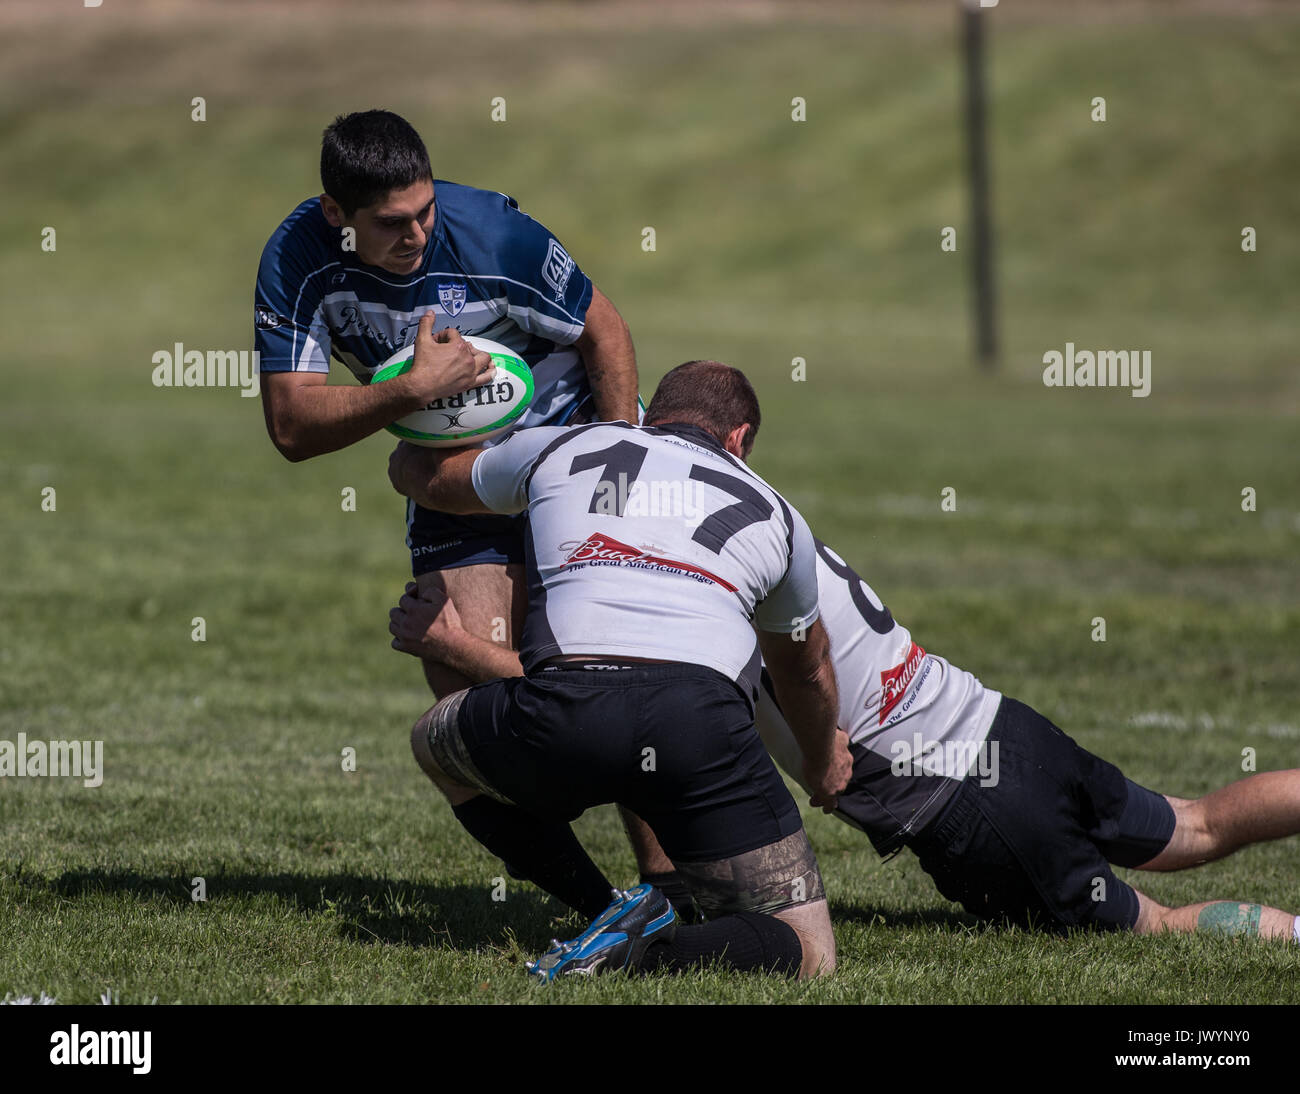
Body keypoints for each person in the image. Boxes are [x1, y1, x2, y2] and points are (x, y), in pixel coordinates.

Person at [394, 435, 1300, 946]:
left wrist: (465, 652)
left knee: (1162, 927)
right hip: (1001, 726)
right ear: (740, 445)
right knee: (1195, 824)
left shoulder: (709, 576)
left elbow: (621, 686)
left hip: (971, 807)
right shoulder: (770, 527)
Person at [388, 361, 853, 980]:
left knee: (432, 740)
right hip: (700, 729)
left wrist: (412, 426)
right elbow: (807, 670)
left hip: (562, 714)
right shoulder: (778, 512)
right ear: (739, 440)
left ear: (649, 413)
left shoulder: (563, 443)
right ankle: (638, 951)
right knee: (808, 954)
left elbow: (432, 482)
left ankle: (601, 909)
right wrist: (821, 762)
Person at [253, 108, 640, 711]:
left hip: (574, 449)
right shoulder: (298, 260)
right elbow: (291, 427)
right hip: (453, 474)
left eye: (424, 211)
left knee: (626, 684)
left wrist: (622, 469)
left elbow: (605, 331)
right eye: (390, 223)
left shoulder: (495, 234)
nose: (416, 235)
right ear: (337, 216)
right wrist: (412, 389)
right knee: (463, 694)